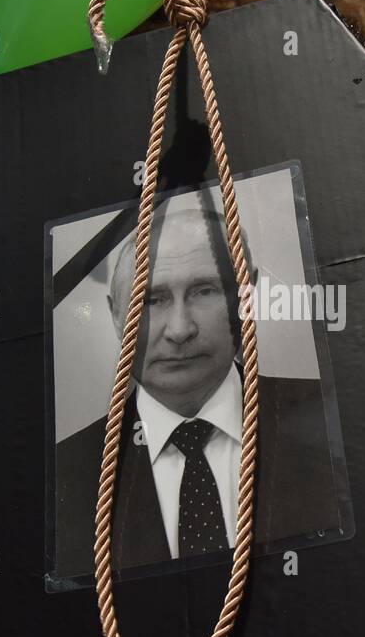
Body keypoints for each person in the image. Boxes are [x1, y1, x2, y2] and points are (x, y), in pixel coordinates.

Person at [53, 195, 340, 578]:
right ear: (116, 316)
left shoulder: (328, 419)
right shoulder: (69, 475)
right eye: (151, 299)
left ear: (246, 294)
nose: (180, 330)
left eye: (204, 291)